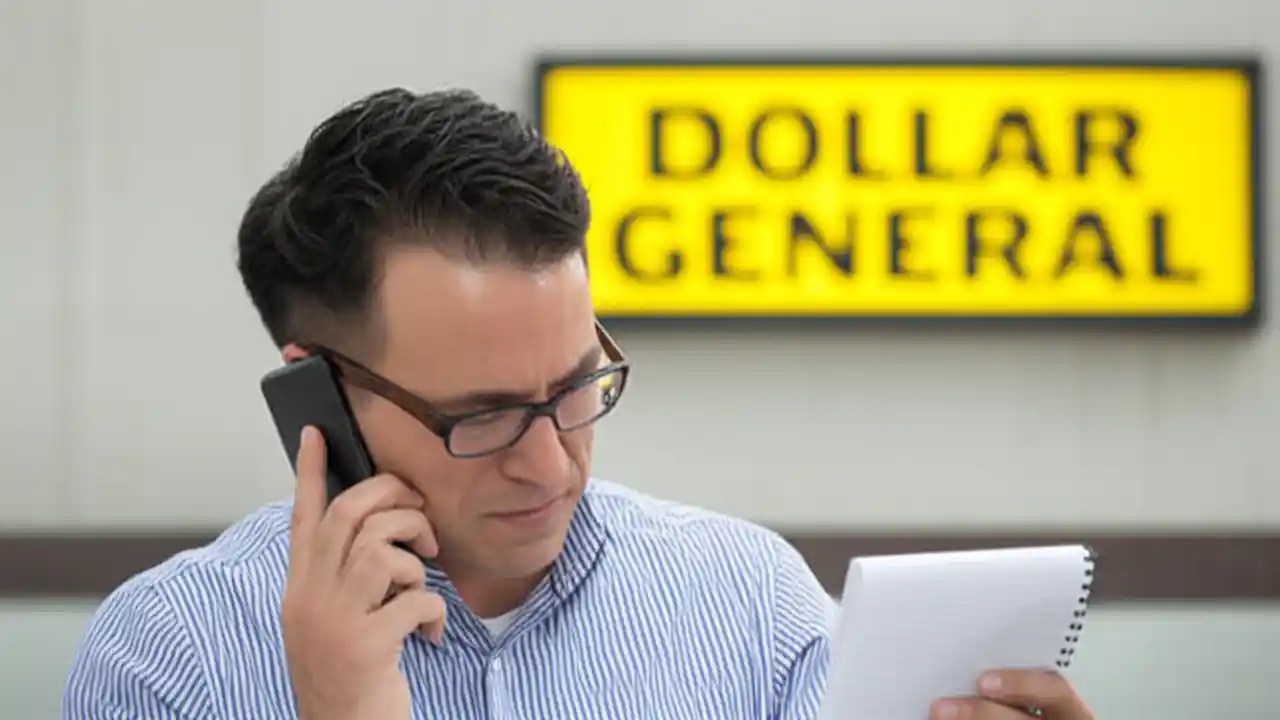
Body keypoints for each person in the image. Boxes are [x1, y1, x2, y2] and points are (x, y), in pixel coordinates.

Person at [62, 87, 1095, 720]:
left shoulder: (751, 606)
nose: (552, 466)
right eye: (483, 416)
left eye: (575, 389)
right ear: (316, 394)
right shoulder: (169, 660)